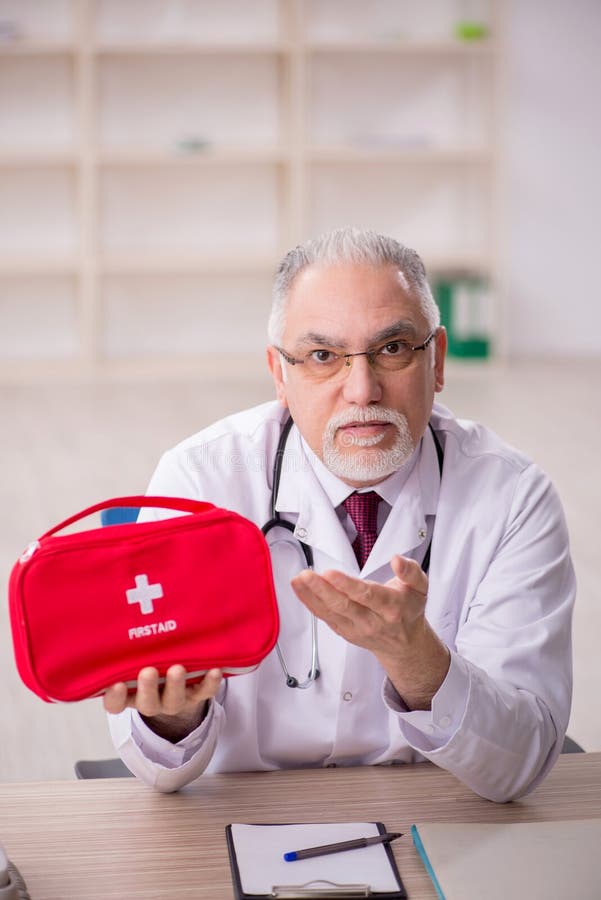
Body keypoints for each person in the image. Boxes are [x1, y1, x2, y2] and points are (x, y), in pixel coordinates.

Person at [104, 228, 575, 802]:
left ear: (440, 360)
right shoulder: (200, 483)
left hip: (440, 814)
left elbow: (520, 766)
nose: (362, 389)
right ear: (280, 374)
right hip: (240, 814)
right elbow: (158, 769)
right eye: (323, 356)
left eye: (393, 349)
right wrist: (173, 718)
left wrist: (417, 659)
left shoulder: (512, 498)